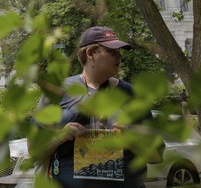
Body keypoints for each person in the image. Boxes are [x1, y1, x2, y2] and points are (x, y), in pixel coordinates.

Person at [36, 26, 144, 188]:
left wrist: (131, 139)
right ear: (91, 53)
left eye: (119, 51)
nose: (119, 56)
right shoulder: (58, 91)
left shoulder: (130, 93)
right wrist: (59, 137)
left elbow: (156, 155)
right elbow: (34, 151)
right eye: (112, 51)